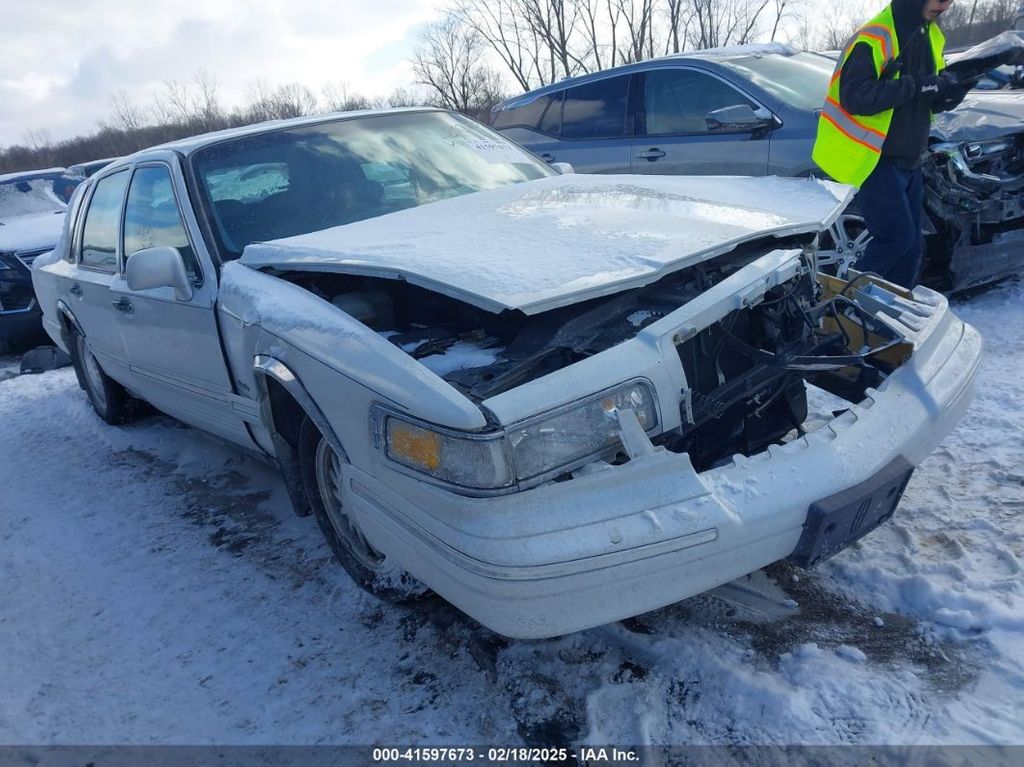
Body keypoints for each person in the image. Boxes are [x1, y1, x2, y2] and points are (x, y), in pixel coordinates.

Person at [813, 0, 970, 289]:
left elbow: (927, 94)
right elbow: (855, 96)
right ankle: (839, 300)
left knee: (910, 248)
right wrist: (916, 85)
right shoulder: (876, 36)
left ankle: (890, 314)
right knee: (895, 238)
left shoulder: (930, 34)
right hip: (877, 159)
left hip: (912, 159)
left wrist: (950, 90)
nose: (944, 5)